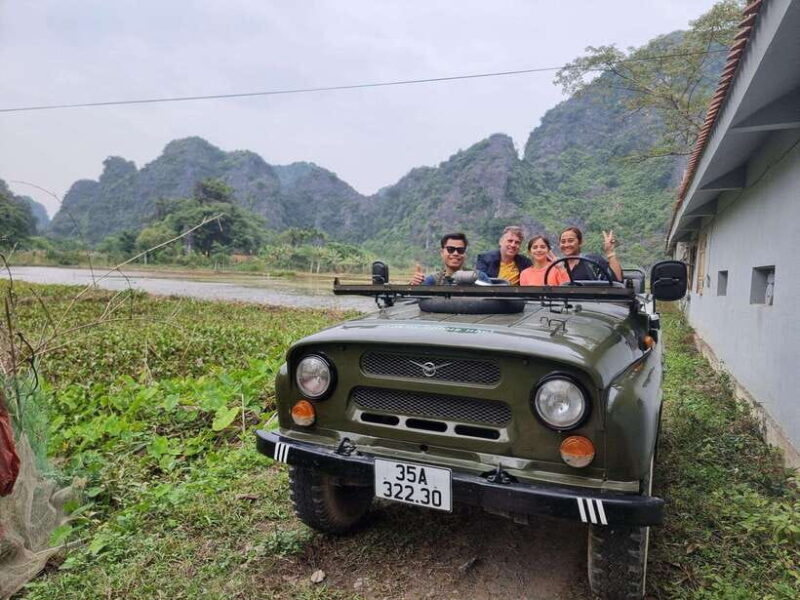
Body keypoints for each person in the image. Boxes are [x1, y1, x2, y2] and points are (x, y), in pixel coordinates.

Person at [409, 232, 488, 285]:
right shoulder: (433, 281)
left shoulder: (479, 277)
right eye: (450, 249)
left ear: (465, 254)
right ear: (442, 252)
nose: (455, 253)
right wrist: (415, 284)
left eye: (460, 250)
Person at [558, 227, 622, 282]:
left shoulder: (592, 261)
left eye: (570, 241)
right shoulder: (558, 265)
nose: (566, 245)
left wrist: (610, 252)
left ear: (580, 242)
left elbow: (616, 280)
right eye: (563, 242)